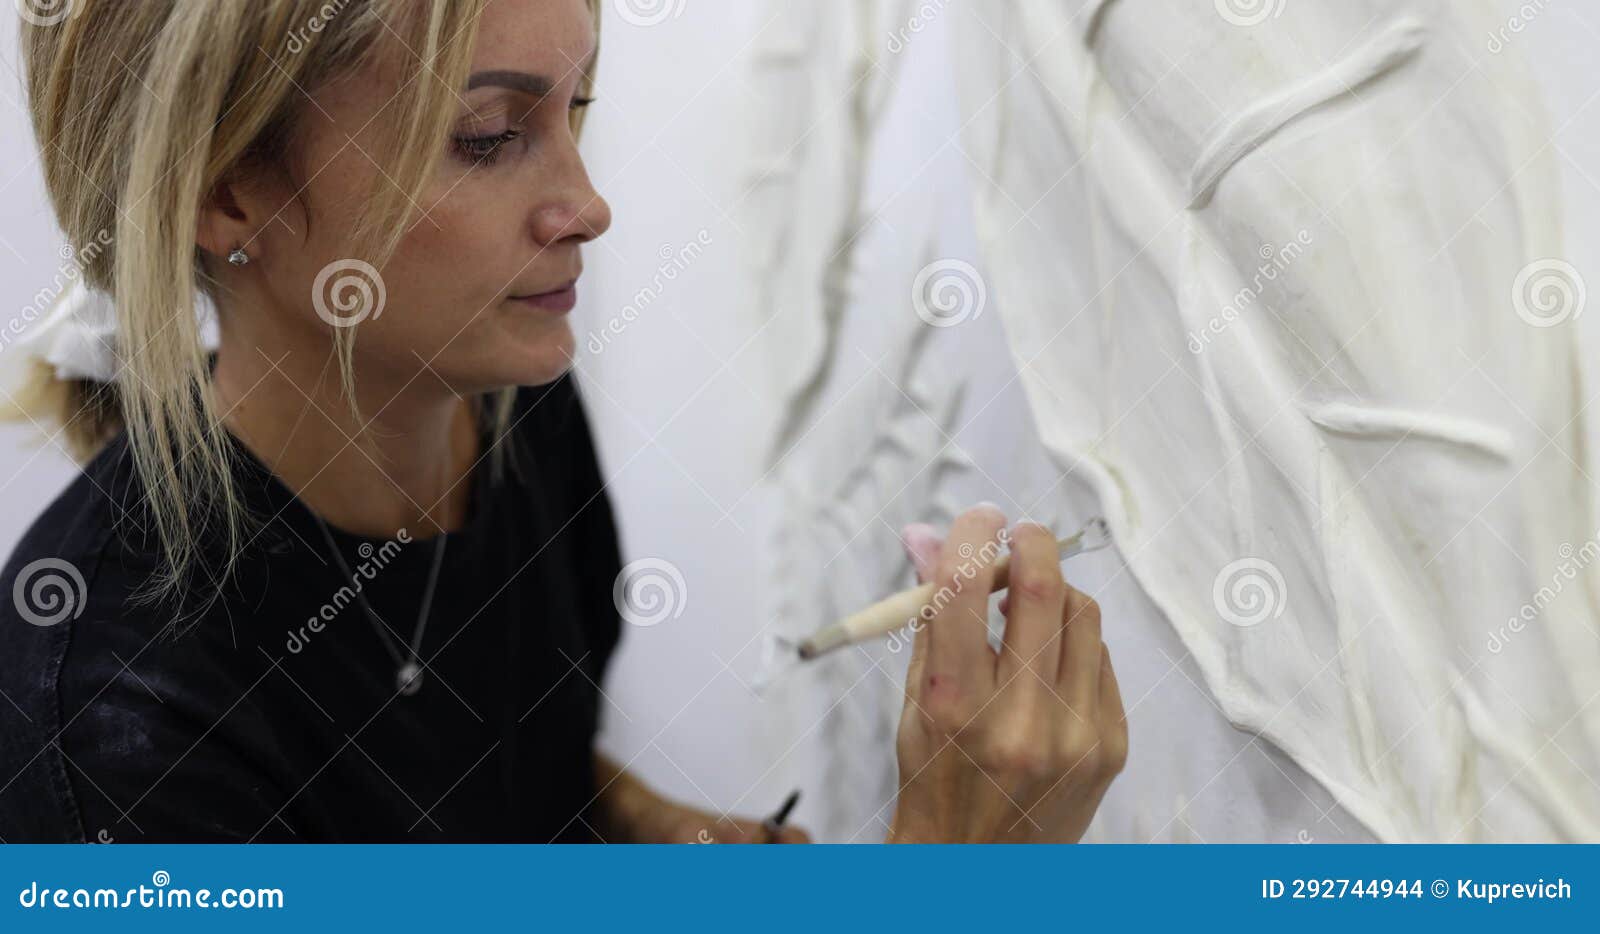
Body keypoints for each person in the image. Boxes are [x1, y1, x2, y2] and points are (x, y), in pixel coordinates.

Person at [0, 0, 1125, 843]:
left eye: (575, 108)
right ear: (227, 192)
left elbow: (482, 770)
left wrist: (642, 824)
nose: (588, 205)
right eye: (489, 135)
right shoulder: (114, 734)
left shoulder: (508, 408)